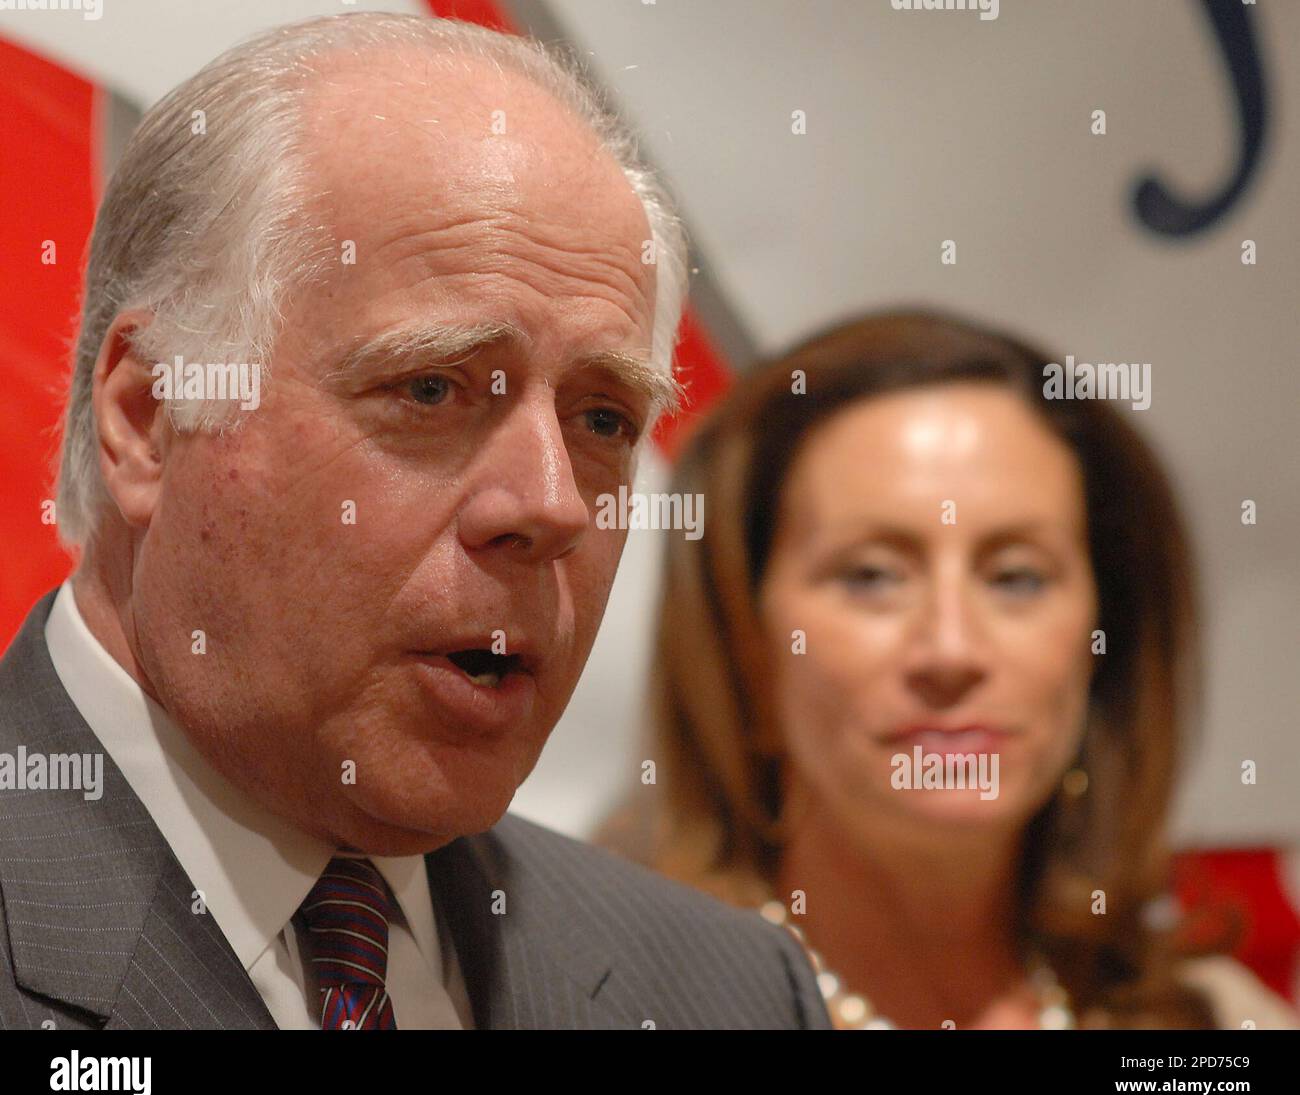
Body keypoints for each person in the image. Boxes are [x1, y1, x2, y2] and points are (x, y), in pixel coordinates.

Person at [0, 12, 829, 1031]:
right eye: (432, 390)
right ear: (149, 414)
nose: (550, 503)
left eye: (603, 418)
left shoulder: (733, 994)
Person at [598, 309, 1298, 1029]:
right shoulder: (615, 1007)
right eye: (871, 575)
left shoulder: (1212, 1025)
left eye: (1016, 577)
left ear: (1103, 641)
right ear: (743, 644)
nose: (952, 649)